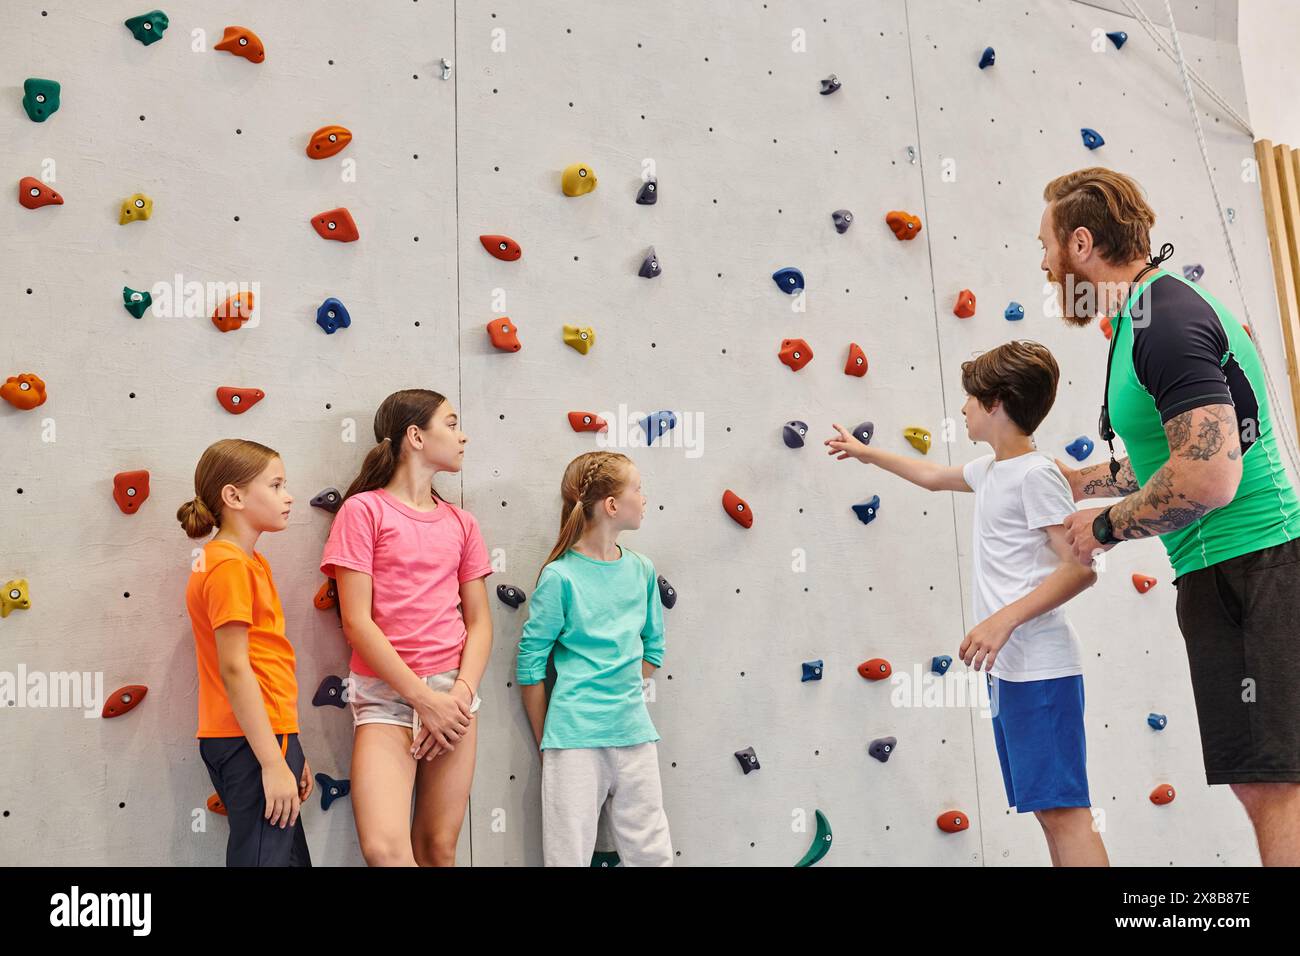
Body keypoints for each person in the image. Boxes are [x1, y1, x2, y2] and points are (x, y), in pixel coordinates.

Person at [1041, 166, 1300, 865]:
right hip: (1235, 568)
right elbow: (1178, 450)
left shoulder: (1165, 319)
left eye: (1047, 246)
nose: (1042, 263)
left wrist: (1102, 528)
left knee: (1274, 783)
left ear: (1083, 245)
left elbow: (1211, 474)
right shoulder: (1146, 317)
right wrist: (1083, 482)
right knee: (1265, 780)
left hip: (1253, 563)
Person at [827, 341, 1107, 866]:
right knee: (1048, 812)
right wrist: (865, 452)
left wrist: (1003, 620)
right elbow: (933, 477)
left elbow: (1079, 568)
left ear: (997, 402)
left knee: (1066, 814)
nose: (963, 409)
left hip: (1041, 669)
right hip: (1011, 671)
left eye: (971, 399)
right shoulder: (991, 470)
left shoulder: (1037, 475)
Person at [320, 389, 493, 866]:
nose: (463, 436)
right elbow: (356, 622)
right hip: (387, 698)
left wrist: (456, 697)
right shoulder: (363, 511)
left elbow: (479, 623)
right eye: (452, 424)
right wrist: (424, 701)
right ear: (416, 436)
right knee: (385, 851)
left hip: (455, 698)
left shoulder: (462, 523)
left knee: (438, 850)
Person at [516, 451, 673, 866]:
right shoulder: (560, 576)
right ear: (612, 506)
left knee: (653, 855)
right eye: (637, 489)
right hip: (573, 740)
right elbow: (531, 665)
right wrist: (547, 740)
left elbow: (653, 647)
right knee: (567, 856)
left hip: (635, 735)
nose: (645, 497)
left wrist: (619, 689)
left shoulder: (641, 570)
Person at [179, 438, 312, 866]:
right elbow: (235, 668)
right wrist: (273, 762)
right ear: (233, 496)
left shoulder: (249, 561)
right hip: (248, 743)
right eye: (275, 485)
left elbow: (263, 660)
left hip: (266, 736)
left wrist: (291, 748)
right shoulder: (228, 565)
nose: (288, 496)